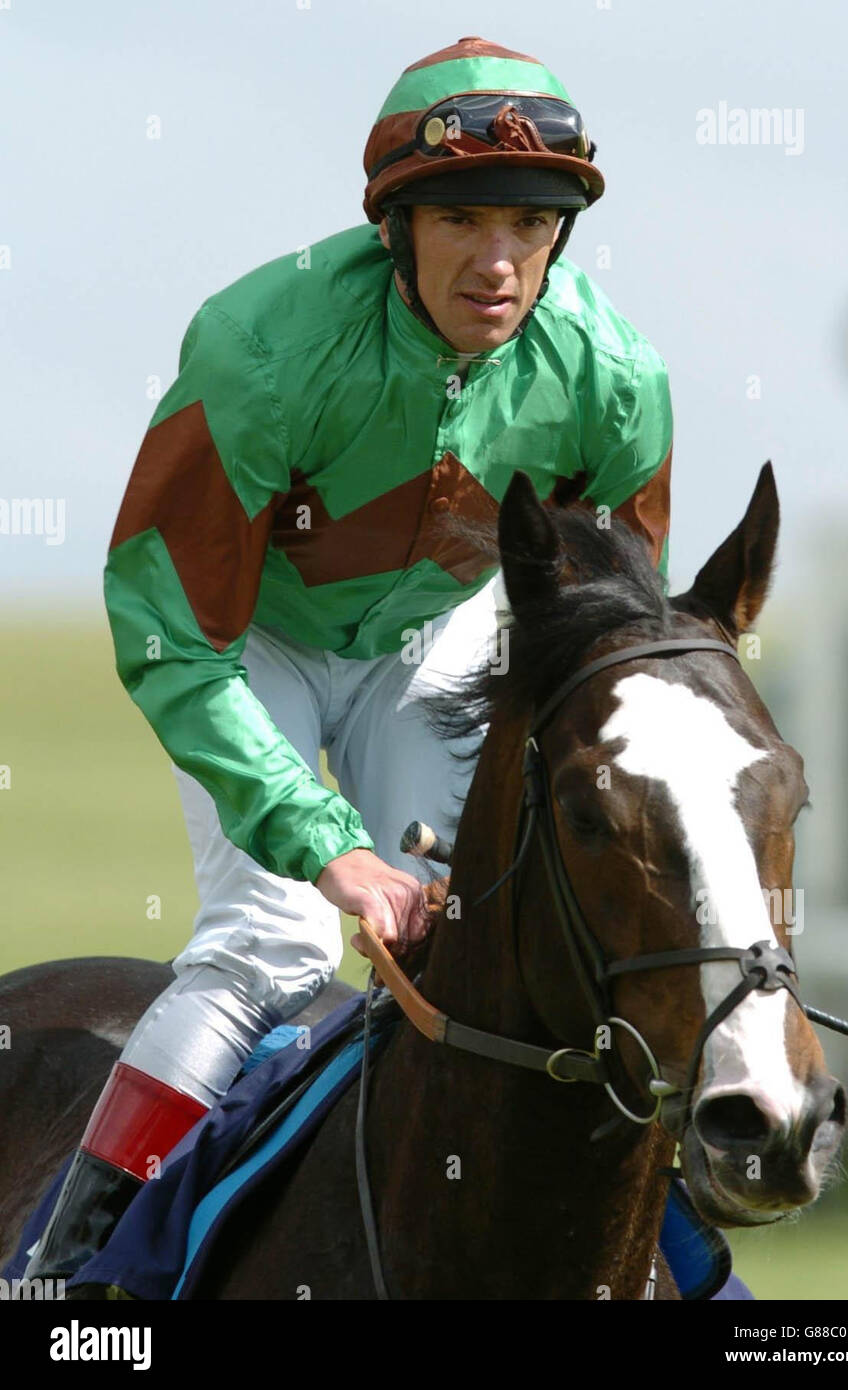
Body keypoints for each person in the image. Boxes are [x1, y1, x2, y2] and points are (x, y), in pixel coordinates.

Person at [25, 35, 673, 1283]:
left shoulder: (616, 379)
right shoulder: (261, 348)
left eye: (531, 229)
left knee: (470, 936)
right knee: (270, 944)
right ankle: (70, 1262)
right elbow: (168, 632)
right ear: (397, 229)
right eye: (464, 221)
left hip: (437, 637)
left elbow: (610, 651)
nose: (498, 262)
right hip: (242, 639)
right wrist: (327, 842)